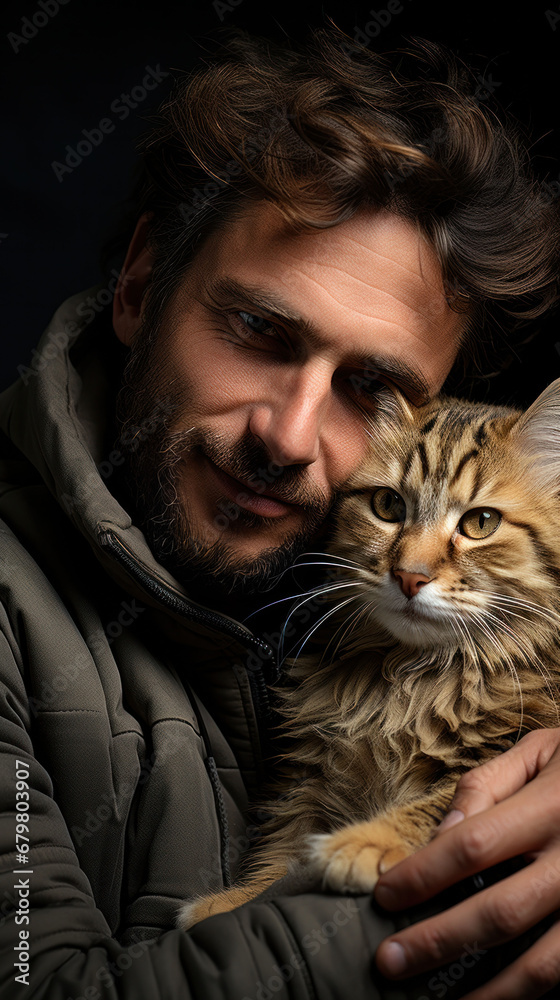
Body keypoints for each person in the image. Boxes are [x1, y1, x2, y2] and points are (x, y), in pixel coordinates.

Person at [0, 21, 559, 1000]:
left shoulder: (332, 605)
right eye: (257, 330)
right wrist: (498, 859)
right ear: (138, 285)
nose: (290, 437)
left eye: (367, 386)